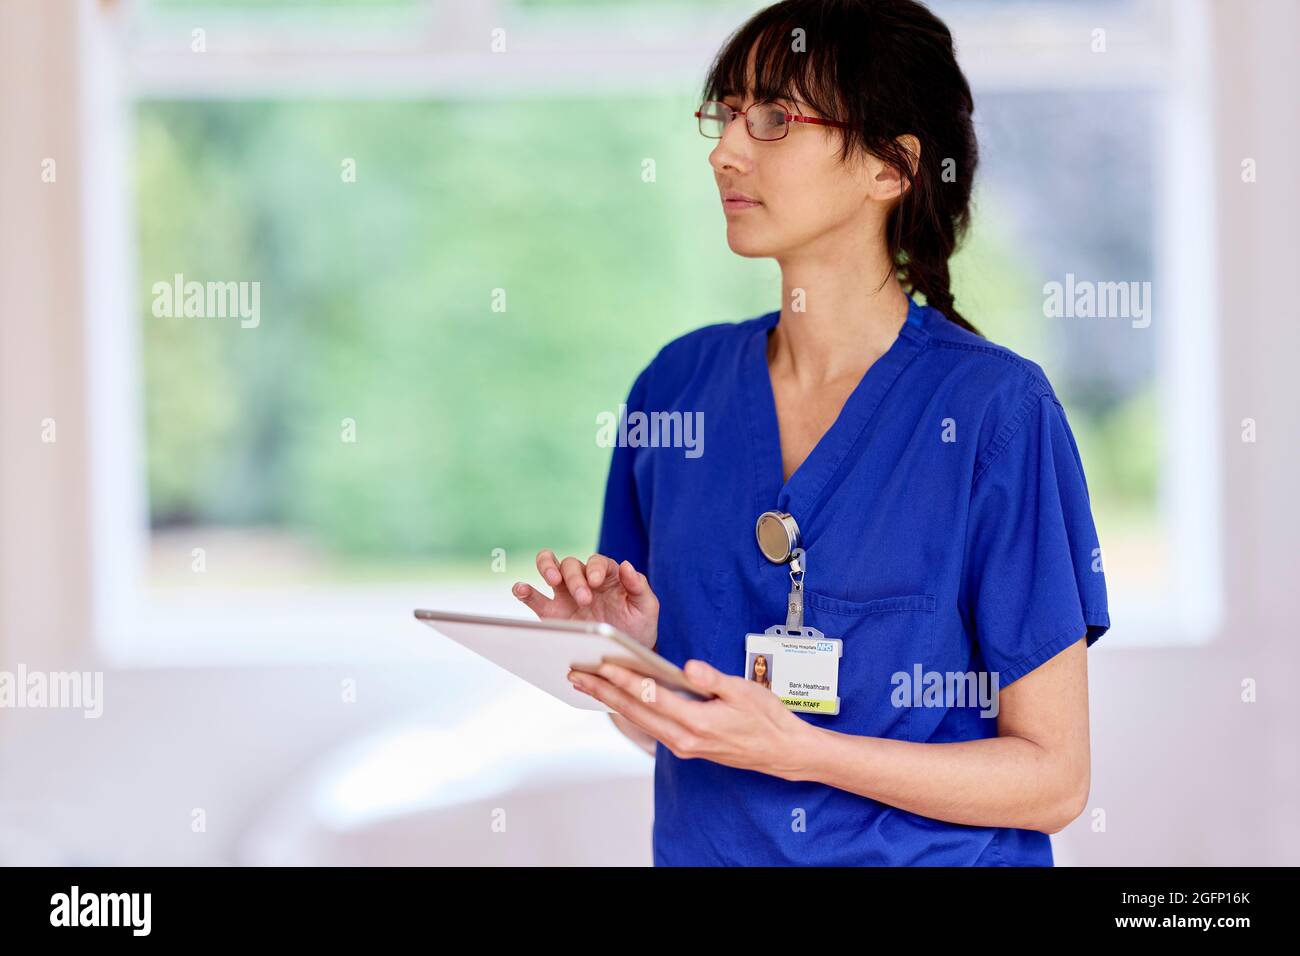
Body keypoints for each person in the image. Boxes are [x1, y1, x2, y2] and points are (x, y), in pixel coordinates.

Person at [511, 0, 1110, 866]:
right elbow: (684, 739)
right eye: (725, 114)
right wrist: (631, 662)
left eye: (774, 118)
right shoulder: (676, 391)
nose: (725, 149)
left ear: (891, 167)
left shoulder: (994, 414)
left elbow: (1054, 781)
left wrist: (807, 752)